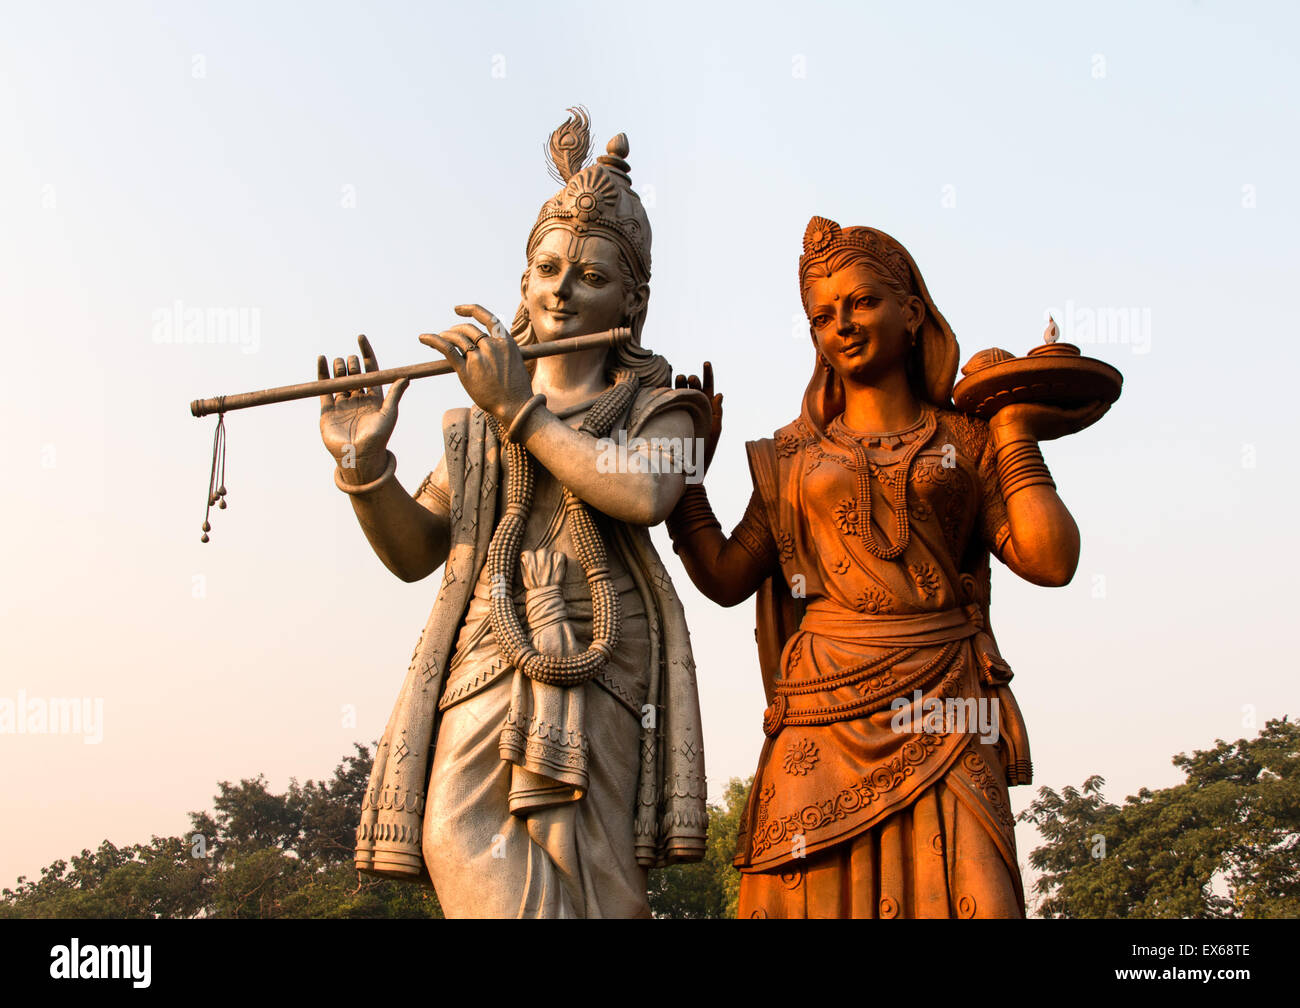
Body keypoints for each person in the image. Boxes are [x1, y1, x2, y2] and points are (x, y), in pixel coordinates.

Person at [317, 109, 711, 918]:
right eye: (548, 268)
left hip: (600, 660)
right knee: (454, 839)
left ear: (632, 302)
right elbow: (417, 550)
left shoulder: (659, 407)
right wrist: (362, 466)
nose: (563, 288)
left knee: (591, 871)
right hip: (481, 655)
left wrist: (518, 410)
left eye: (592, 276)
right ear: (523, 284)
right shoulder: (470, 424)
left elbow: (645, 492)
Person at [667, 217, 1108, 918]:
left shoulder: (966, 438)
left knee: (980, 898)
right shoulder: (791, 457)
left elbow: (1051, 561)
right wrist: (687, 471)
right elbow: (724, 577)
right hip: (823, 710)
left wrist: (1013, 428)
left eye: (862, 301)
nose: (842, 324)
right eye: (822, 315)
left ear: (912, 311)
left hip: (948, 702)